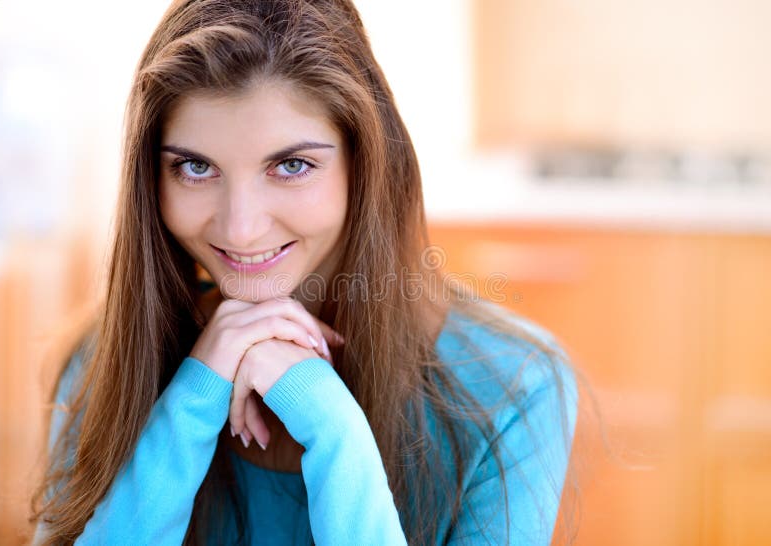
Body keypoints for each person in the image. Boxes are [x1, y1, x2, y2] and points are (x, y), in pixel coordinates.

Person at [29, 0, 580, 544]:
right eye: (195, 167)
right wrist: (190, 404)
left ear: (364, 162)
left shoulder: (513, 386)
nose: (241, 229)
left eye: (291, 165)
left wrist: (333, 431)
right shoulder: (107, 360)